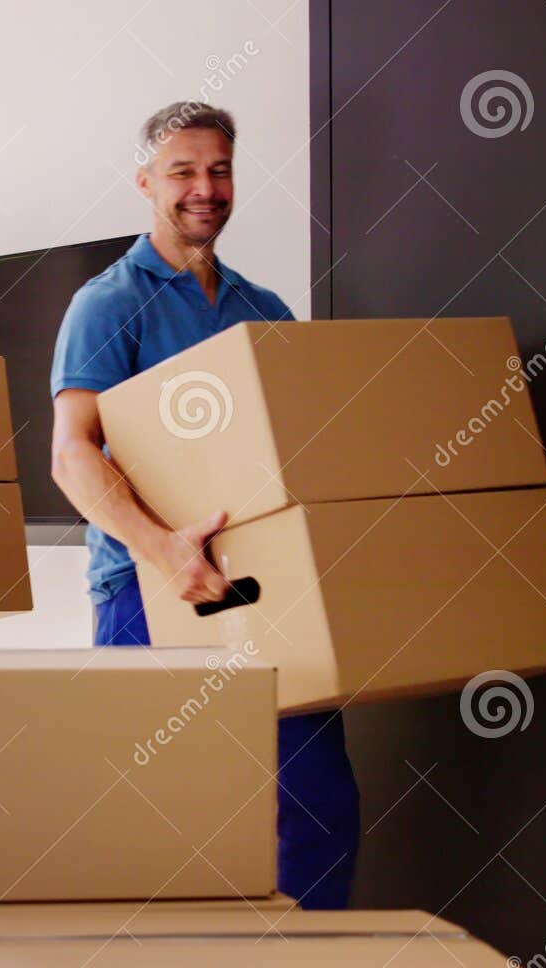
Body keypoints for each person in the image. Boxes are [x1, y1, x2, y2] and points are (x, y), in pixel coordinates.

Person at [48, 103, 360, 908]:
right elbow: (72, 453)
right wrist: (164, 551)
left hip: (267, 588)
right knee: (158, 821)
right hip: (146, 591)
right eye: (183, 171)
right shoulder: (107, 303)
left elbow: (302, 448)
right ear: (146, 183)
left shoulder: (265, 309)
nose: (204, 188)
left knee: (316, 811)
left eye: (219, 170)